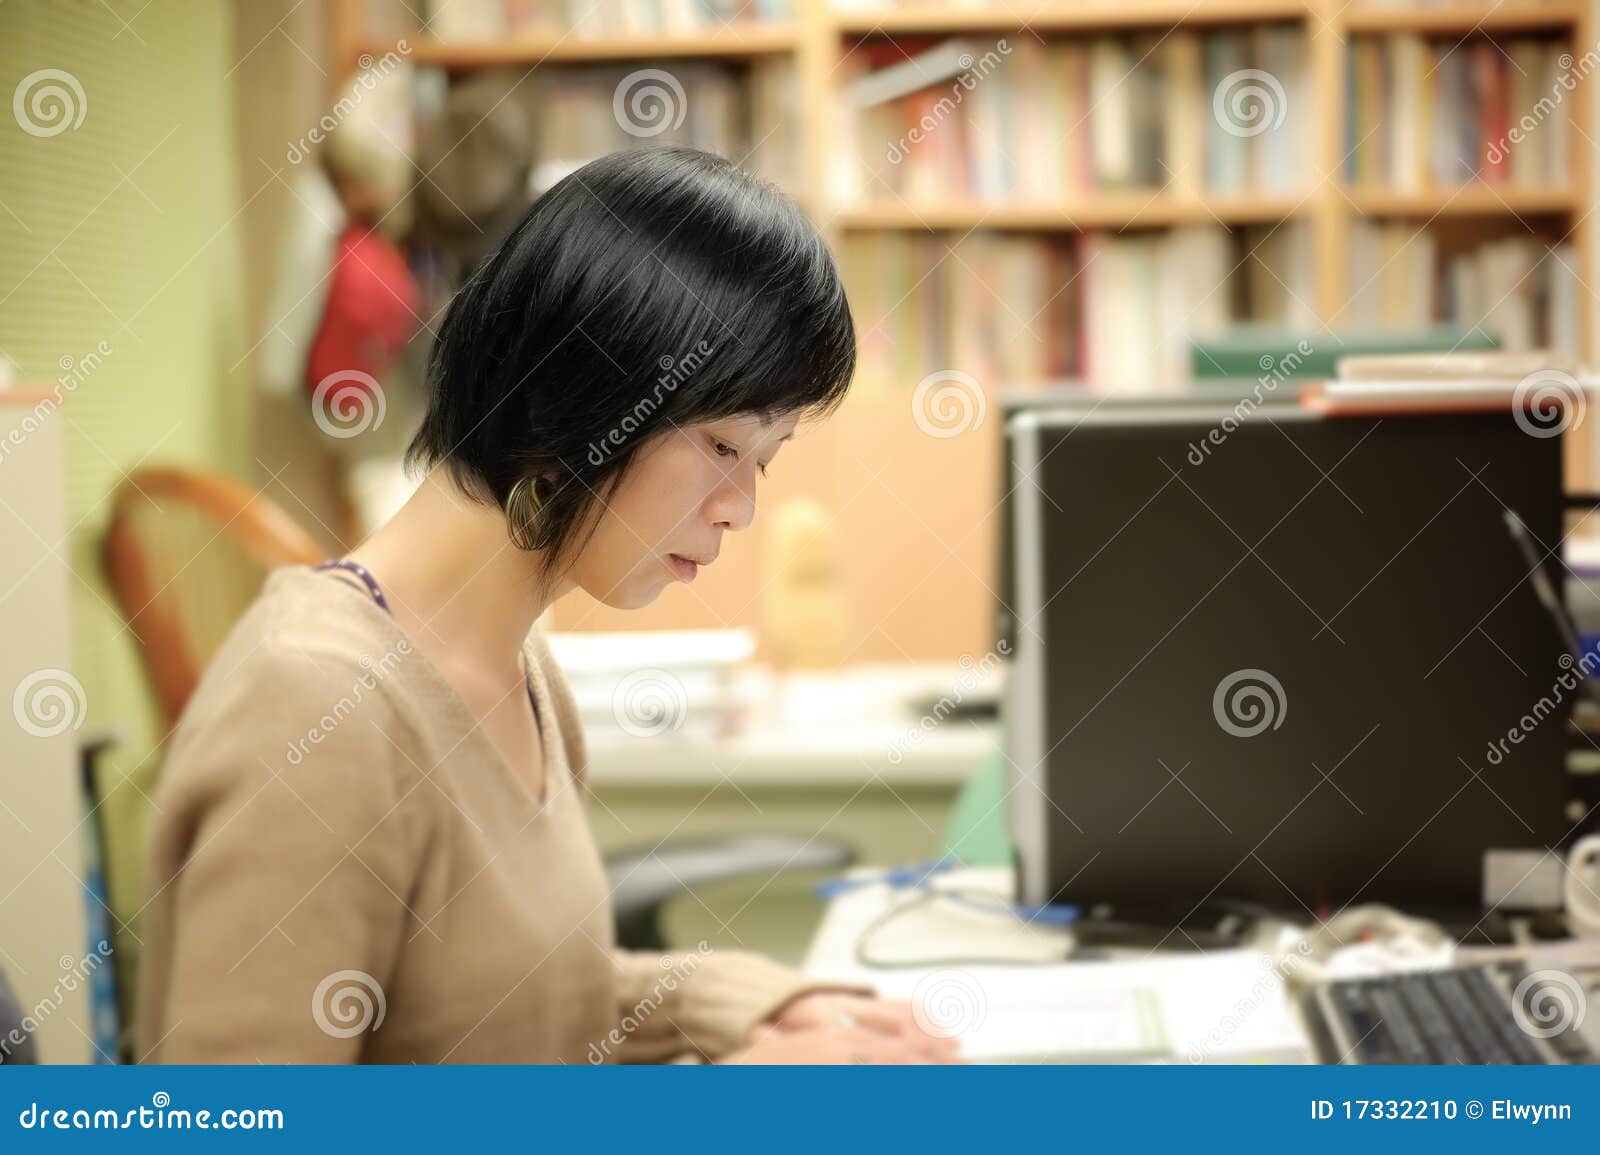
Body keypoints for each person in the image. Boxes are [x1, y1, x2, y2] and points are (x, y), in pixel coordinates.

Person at [136, 147, 957, 1064]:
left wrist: (753, 1008)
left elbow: (511, 1008)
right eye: (724, 444)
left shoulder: (515, 666)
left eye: (762, 461)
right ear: (583, 391)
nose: (741, 507)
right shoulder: (317, 708)